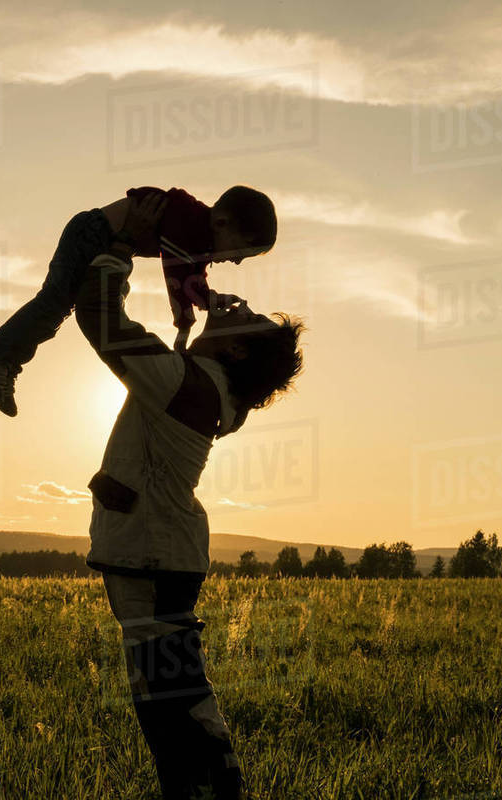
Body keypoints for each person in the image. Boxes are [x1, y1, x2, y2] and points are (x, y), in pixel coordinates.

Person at [74, 192, 304, 800]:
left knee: (170, 703)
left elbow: (101, 321)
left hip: (151, 554)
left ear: (236, 348)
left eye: (245, 316)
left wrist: (120, 246)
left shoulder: (190, 387)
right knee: (174, 697)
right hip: (158, 552)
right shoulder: (203, 385)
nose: (239, 301)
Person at [0, 185, 277, 416]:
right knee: (54, 304)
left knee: (58, 310)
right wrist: (184, 329)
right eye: (240, 252)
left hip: (103, 240)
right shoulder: (190, 229)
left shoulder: (198, 239)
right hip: (93, 234)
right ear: (222, 223)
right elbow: (177, 277)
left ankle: (3, 358)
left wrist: (207, 299)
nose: (236, 262)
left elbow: (191, 279)